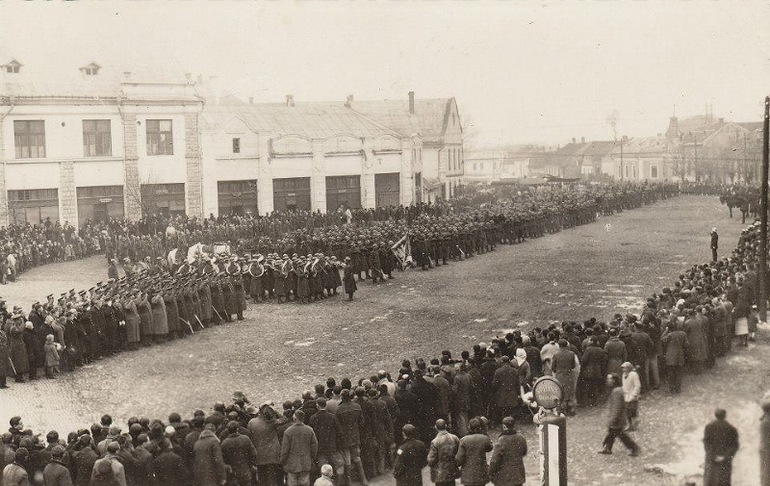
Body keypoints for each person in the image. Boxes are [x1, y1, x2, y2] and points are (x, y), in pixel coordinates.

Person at [598, 374, 640, 457]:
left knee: (620, 435)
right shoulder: (617, 390)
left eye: (609, 379)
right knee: (612, 433)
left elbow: (616, 407)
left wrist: (613, 418)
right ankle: (607, 448)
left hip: (617, 418)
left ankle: (634, 448)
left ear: (614, 381)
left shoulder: (616, 391)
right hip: (618, 417)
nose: (607, 381)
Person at [280, 410, 318, 486]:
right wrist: (312, 457)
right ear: (303, 418)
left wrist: (282, 461)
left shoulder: (288, 431)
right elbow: (315, 445)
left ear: (294, 418)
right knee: (305, 481)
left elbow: (285, 449)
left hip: (292, 462)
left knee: (292, 482)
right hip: (306, 461)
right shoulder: (309, 430)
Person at [703, 409, 739, 486]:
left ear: (715, 415)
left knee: (710, 481)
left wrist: (713, 456)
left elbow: (706, 444)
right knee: (724, 481)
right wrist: (725, 457)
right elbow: (735, 446)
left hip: (712, 460)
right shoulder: (732, 429)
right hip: (725, 461)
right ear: (725, 416)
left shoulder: (709, 427)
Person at [488, 417, 527, 486]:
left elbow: (495, 459)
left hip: (503, 477)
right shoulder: (521, 438)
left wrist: (490, 472)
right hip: (518, 475)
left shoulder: (501, 440)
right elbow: (524, 452)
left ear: (504, 426)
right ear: (513, 425)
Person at [455, 418, 492, 486]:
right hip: (481, 473)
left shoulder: (464, 440)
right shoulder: (485, 438)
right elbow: (489, 448)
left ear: (469, 427)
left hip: (468, 474)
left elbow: (459, 459)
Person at [427, 419, 459, 486]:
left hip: (440, 473)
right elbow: (458, 453)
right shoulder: (455, 438)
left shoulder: (435, 441)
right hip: (452, 471)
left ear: (435, 427)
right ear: (446, 426)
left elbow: (431, 460)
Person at [621, 362, 641, 431]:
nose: (623, 370)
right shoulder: (623, 375)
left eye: (625, 368)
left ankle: (634, 425)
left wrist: (633, 394)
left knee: (633, 411)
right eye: (623, 368)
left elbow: (637, 386)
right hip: (626, 396)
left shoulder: (634, 374)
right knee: (627, 411)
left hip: (633, 396)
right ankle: (630, 425)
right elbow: (624, 385)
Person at [760, 399, 770, 486]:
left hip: (763, 448)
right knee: (767, 470)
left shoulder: (764, 420)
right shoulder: (767, 421)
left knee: (764, 470)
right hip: (767, 449)